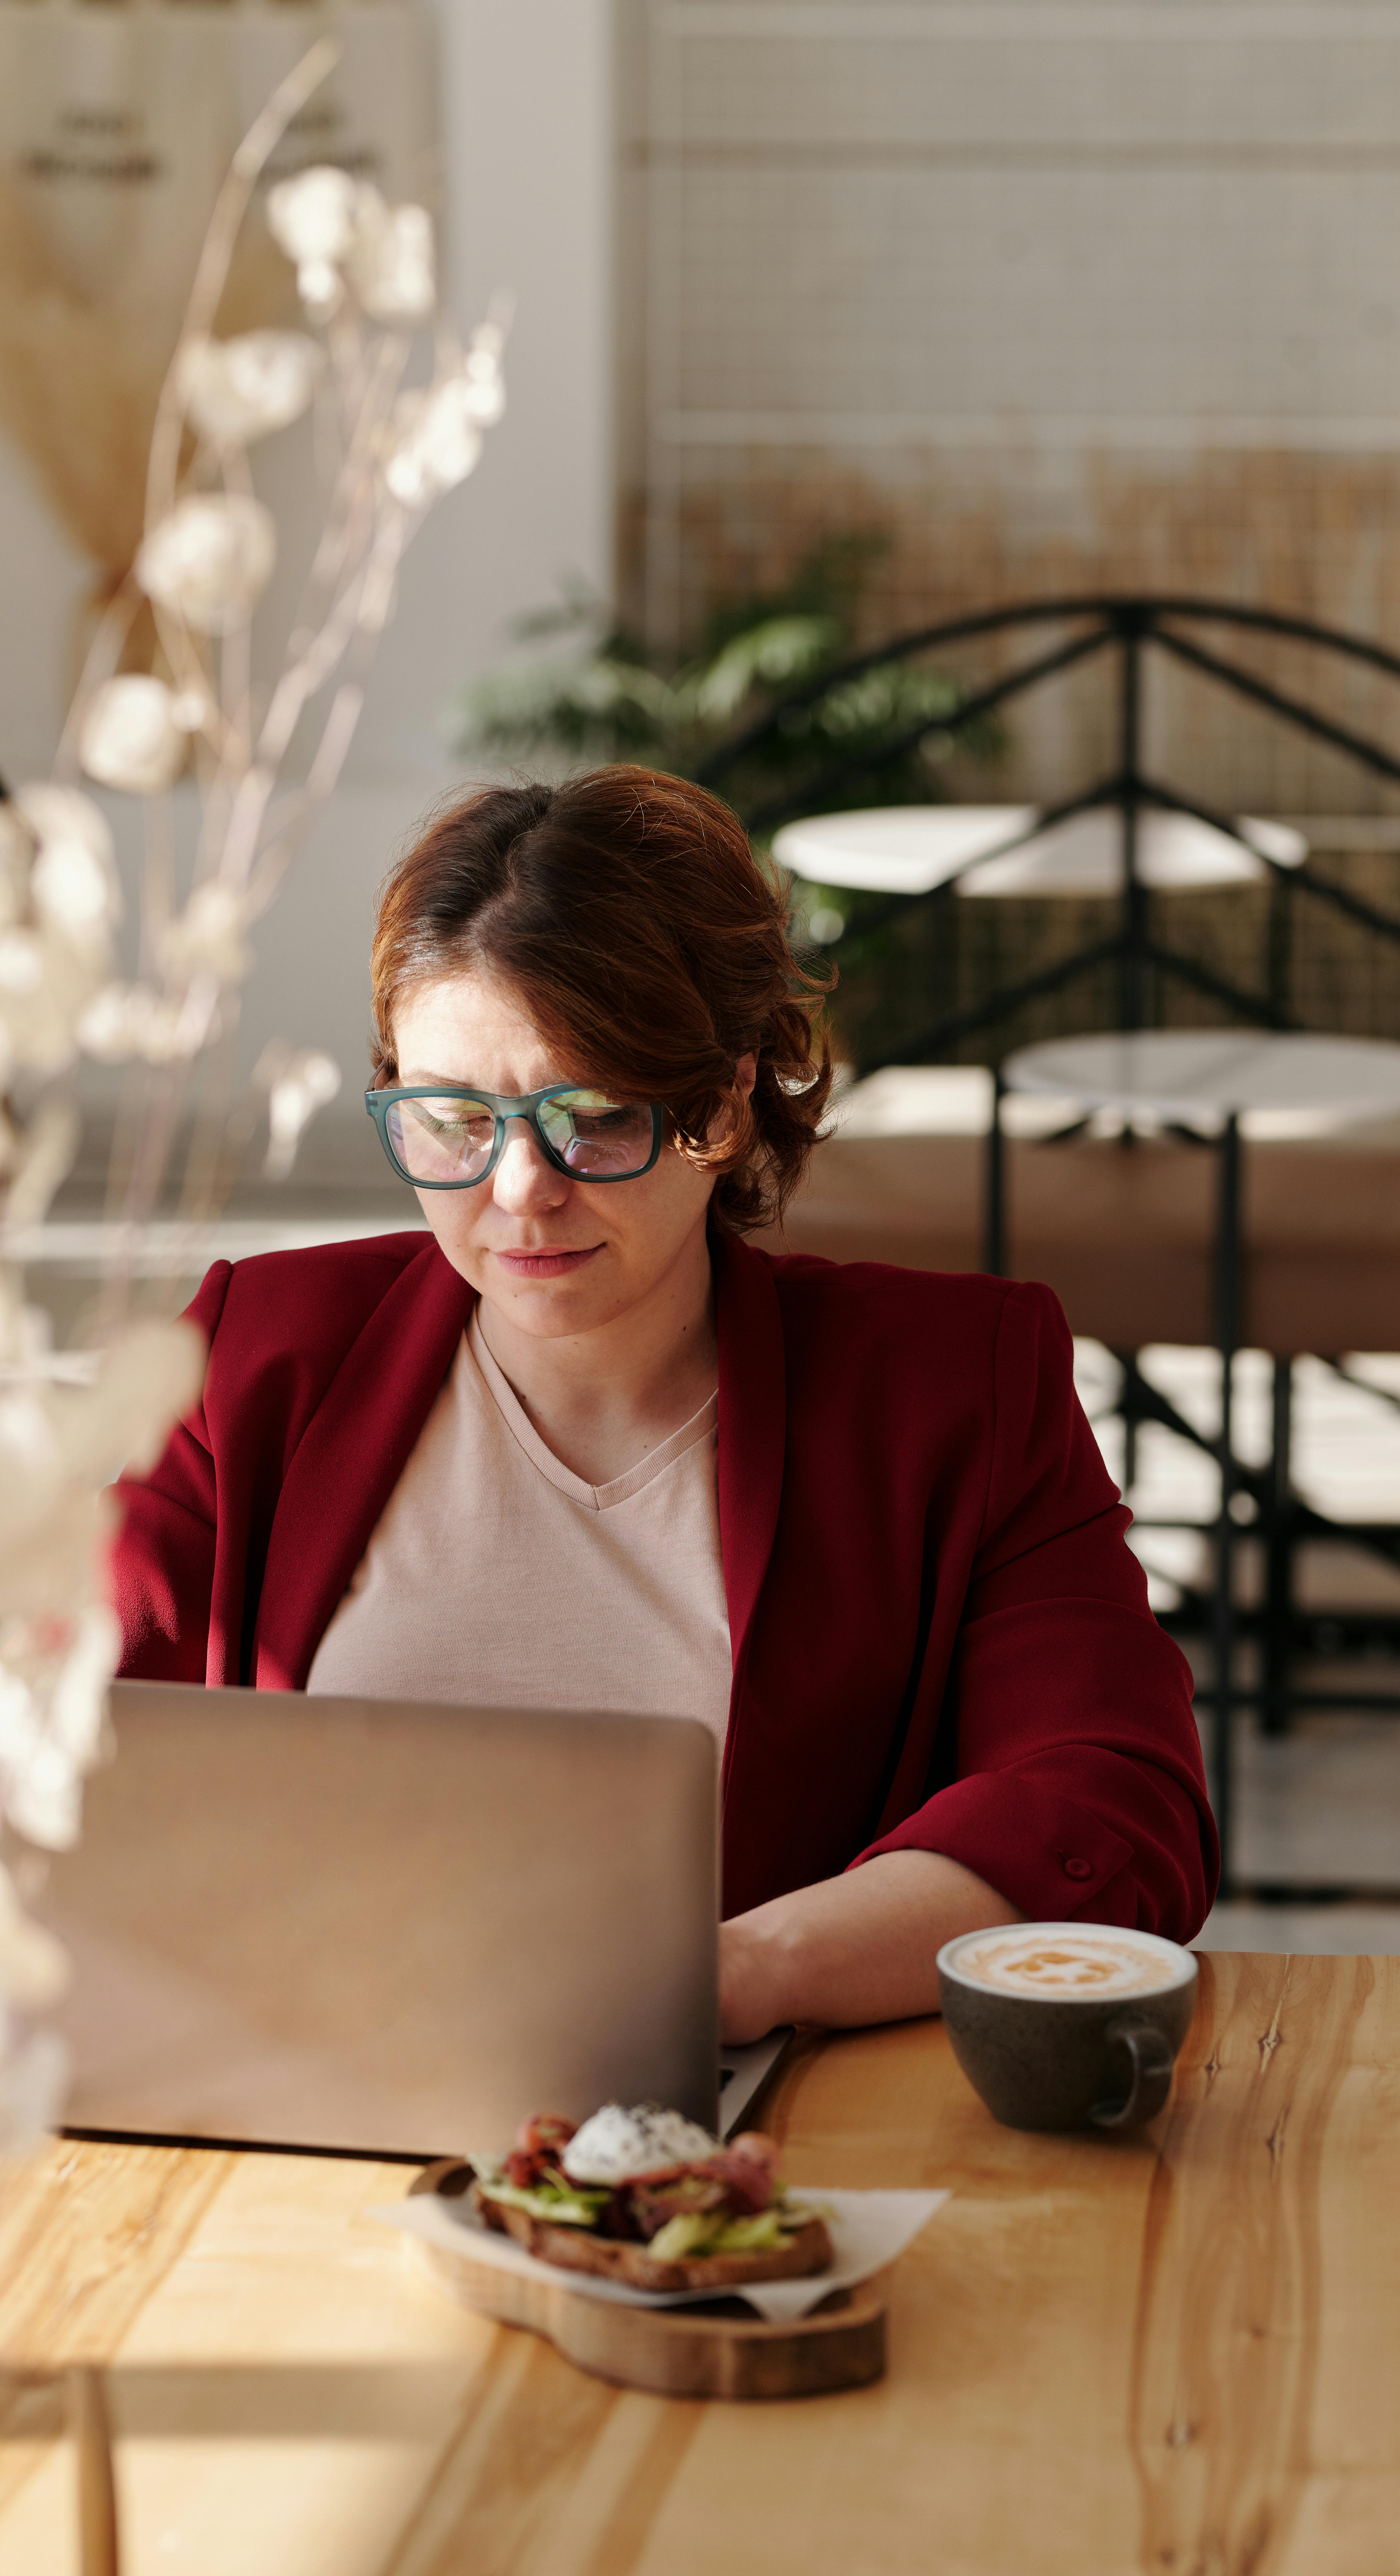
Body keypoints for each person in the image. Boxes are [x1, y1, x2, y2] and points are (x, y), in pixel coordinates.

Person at [112, 766, 1217, 2042]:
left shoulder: (953, 1387)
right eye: (453, 1117)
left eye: (590, 1116)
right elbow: (64, 1737)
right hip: (295, 2106)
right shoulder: (254, 1353)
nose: (519, 1187)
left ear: (726, 1099)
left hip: (744, 2163)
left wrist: (741, 1970)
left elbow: (1111, 1804)